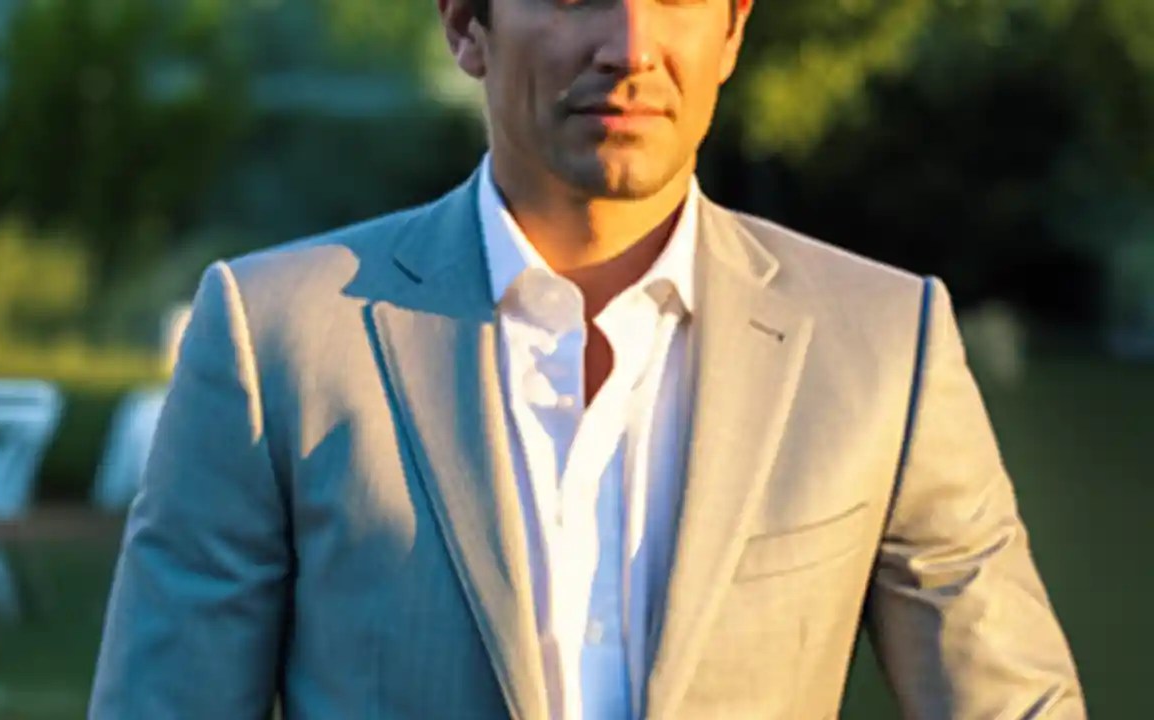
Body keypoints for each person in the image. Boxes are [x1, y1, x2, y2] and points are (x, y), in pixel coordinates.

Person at [89, 0, 1085, 717]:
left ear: (733, 26)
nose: (630, 45)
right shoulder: (276, 339)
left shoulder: (882, 344)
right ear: (463, 25)